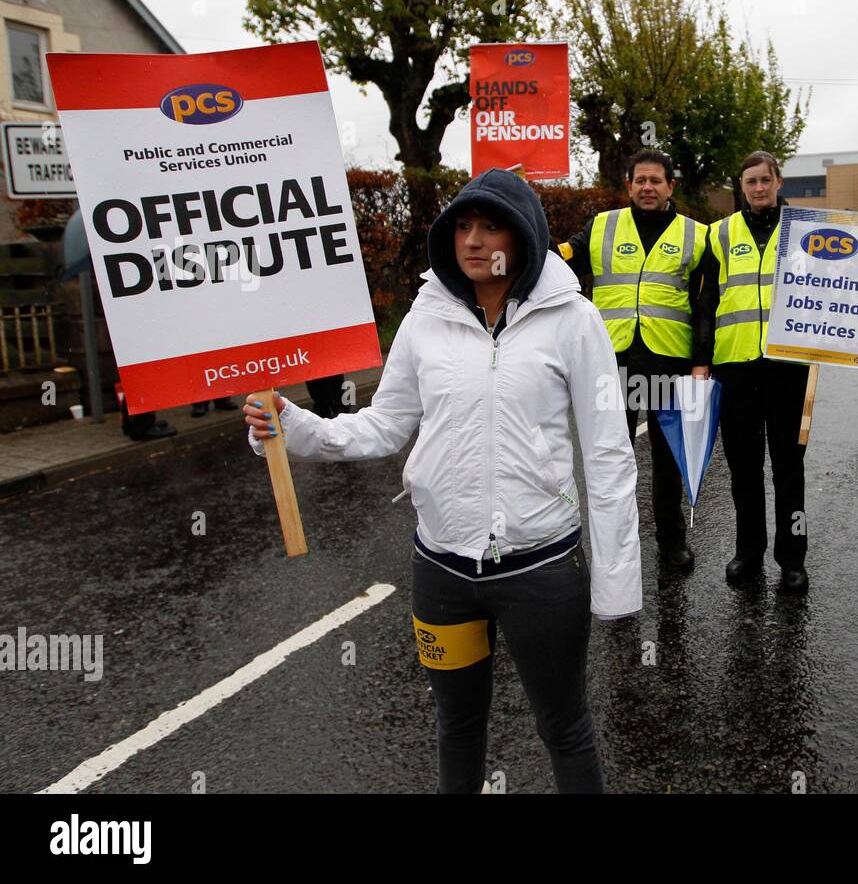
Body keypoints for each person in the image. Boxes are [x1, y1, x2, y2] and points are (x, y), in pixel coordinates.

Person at [245, 168, 641, 792]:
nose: (473, 241)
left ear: (525, 237)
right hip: (443, 573)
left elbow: (610, 452)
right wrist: (295, 427)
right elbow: (383, 425)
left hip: (540, 571)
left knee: (563, 727)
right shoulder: (424, 319)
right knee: (456, 726)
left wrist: (616, 584)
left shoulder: (574, 320)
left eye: (489, 227)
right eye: (462, 226)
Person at [559, 149, 708, 570]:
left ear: (670, 187)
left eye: (656, 181)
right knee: (610, 457)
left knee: (666, 458)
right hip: (611, 362)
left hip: (667, 362)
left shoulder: (697, 235)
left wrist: (701, 360)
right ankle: (615, 548)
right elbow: (562, 261)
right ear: (628, 185)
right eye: (640, 180)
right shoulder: (602, 227)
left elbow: (705, 306)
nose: (647, 187)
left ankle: (671, 542)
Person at [693, 151, 810, 593]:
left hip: (789, 367)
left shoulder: (805, 231)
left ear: (778, 181)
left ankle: (792, 558)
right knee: (743, 468)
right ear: (740, 187)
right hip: (734, 367)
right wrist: (701, 360)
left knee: (788, 468)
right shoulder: (719, 235)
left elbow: (835, 288)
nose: (758, 188)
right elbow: (704, 303)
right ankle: (748, 551)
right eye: (750, 182)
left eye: (765, 180)